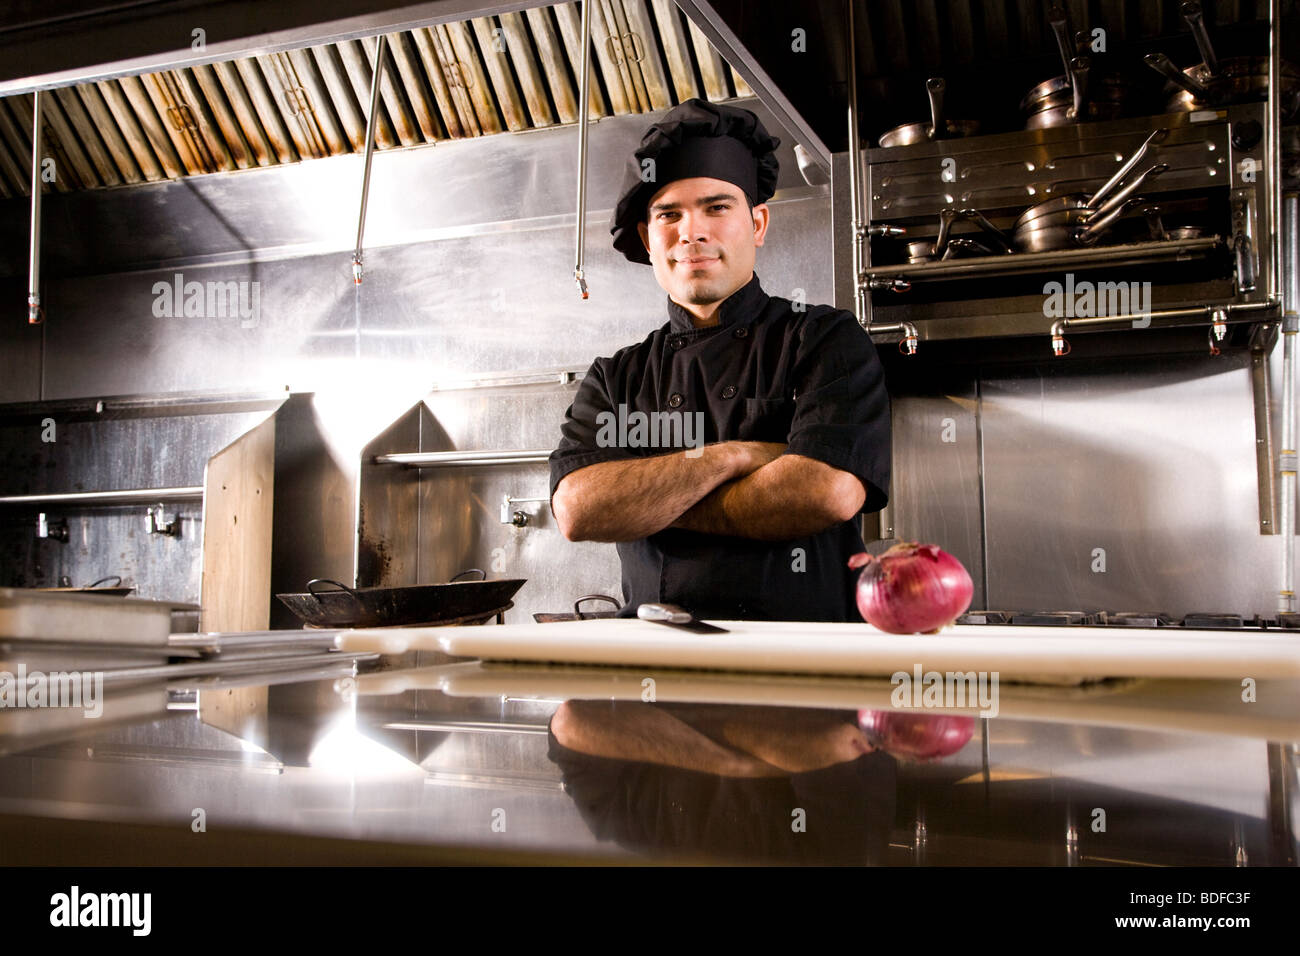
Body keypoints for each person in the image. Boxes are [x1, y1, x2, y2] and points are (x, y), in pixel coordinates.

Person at [548, 98, 890, 622]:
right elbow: (577, 508)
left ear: (756, 223)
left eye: (716, 207)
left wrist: (650, 502)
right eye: (668, 214)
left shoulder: (823, 337)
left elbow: (826, 491)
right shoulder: (615, 376)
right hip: (654, 670)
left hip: (805, 665)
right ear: (647, 236)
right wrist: (731, 457)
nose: (692, 232)